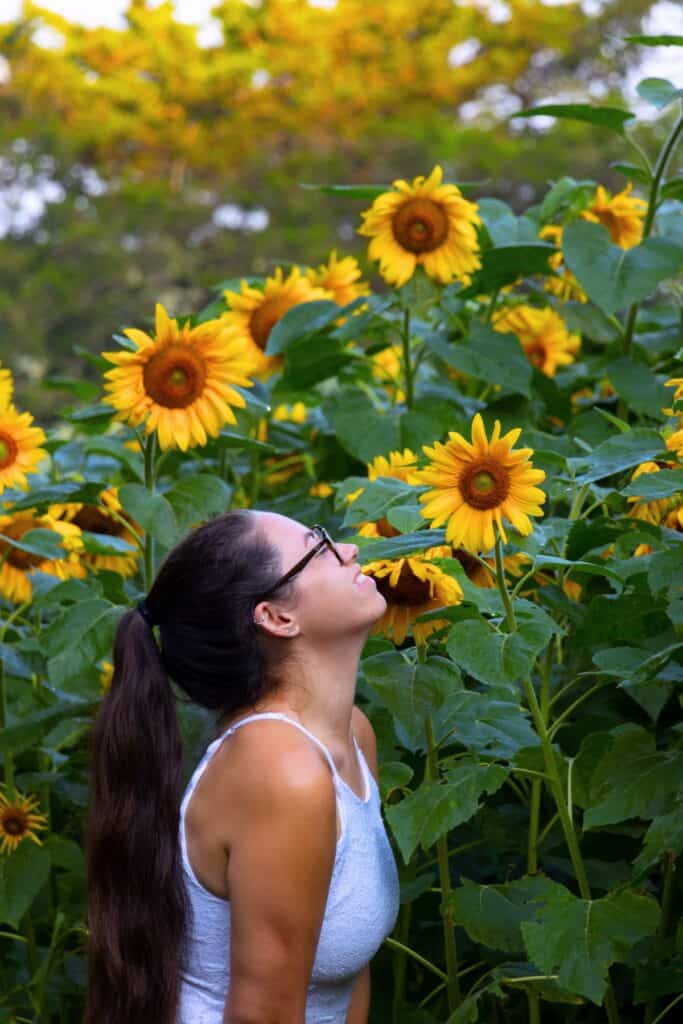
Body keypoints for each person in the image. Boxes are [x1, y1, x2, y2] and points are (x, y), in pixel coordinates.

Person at [83, 508, 400, 1024]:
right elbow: (263, 1014)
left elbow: (349, 975)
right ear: (277, 617)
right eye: (318, 546)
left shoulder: (351, 735)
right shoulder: (279, 768)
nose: (350, 550)